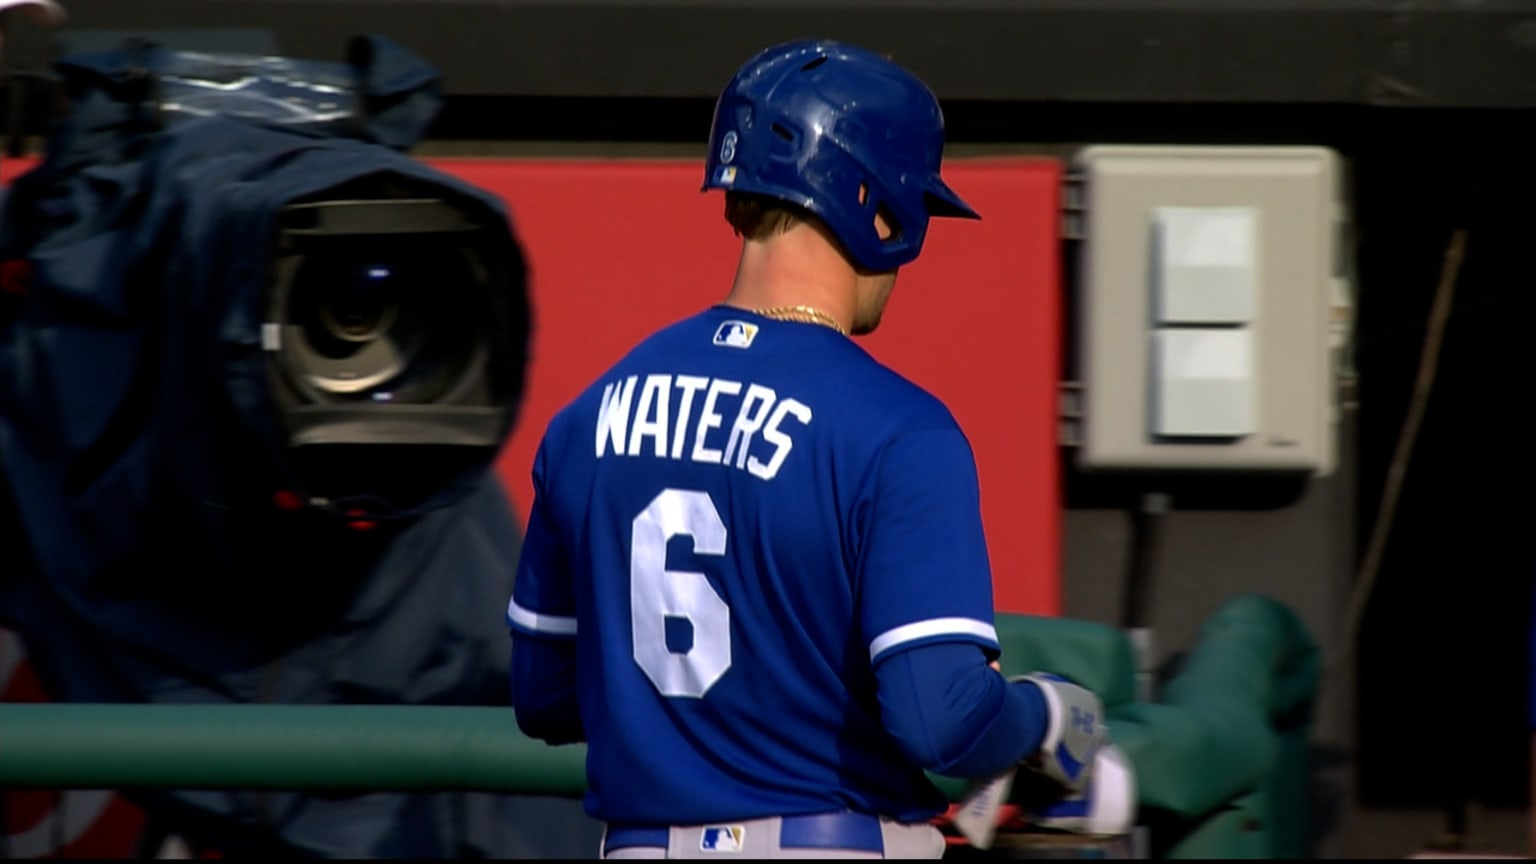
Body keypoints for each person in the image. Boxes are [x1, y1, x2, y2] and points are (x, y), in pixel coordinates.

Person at [506, 38, 1118, 859]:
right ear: (876, 201)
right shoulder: (900, 430)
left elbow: (545, 696)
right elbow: (939, 718)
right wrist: (1045, 717)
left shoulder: (587, 415)